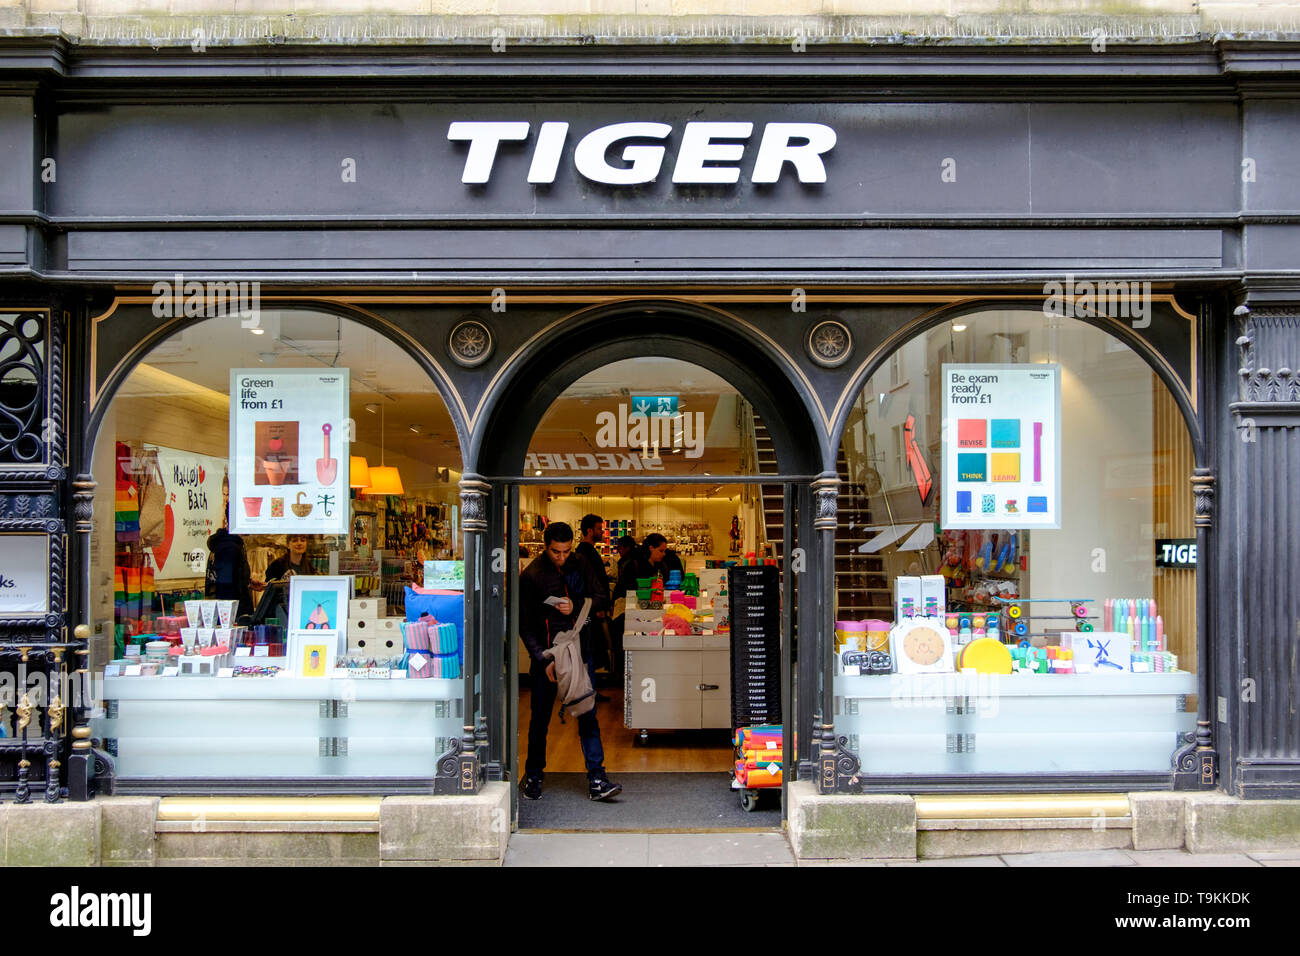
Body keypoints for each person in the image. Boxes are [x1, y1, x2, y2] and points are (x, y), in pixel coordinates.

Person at [518, 522, 621, 803]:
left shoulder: (582, 563)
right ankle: (533, 775)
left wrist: (575, 604)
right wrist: (542, 659)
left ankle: (597, 778)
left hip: (578, 652)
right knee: (539, 718)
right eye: (555, 552)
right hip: (547, 655)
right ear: (545, 546)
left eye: (565, 551)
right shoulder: (532, 575)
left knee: (587, 713)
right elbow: (524, 625)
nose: (561, 557)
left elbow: (602, 597)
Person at [574, 514, 613, 696]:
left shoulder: (587, 551)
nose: (602, 532)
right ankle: (587, 691)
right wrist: (597, 606)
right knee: (588, 649)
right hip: (590, 609)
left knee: (591, 650)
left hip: (592, 607)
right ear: (589, 530)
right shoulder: (584, 552)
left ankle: (589, 690)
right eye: (599, 529)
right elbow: (589, 581)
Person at [205, 527, 254, 619]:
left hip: (228, 613)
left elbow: (228, 576)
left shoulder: (227, 544)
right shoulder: (229, 548)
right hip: (231, 615)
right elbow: (225, 587)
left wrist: (247, 582)